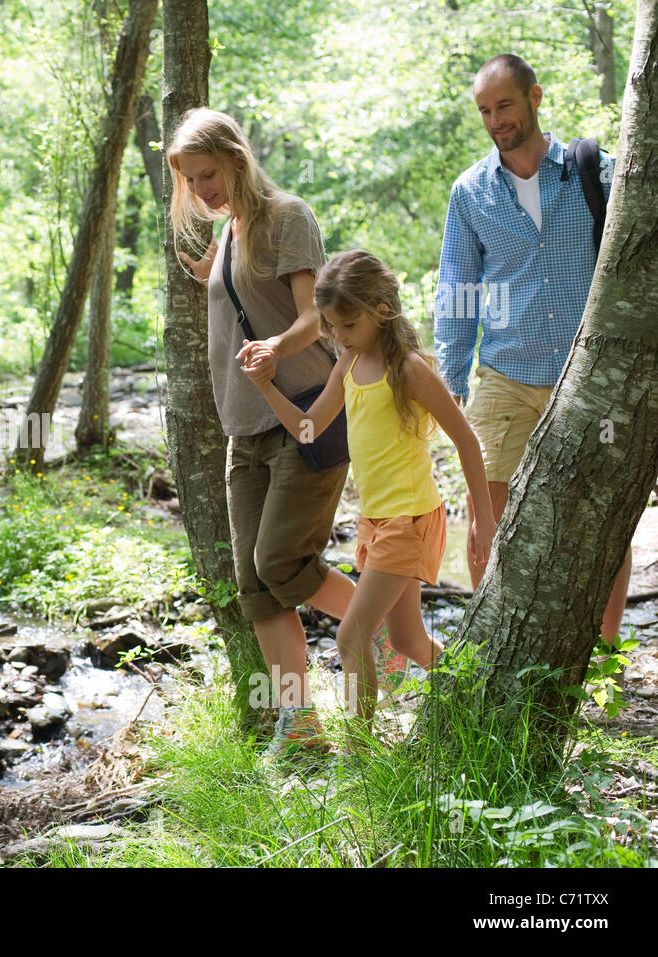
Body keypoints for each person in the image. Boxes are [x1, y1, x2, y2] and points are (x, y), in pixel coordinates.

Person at [168, 108, 357, 757]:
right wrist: (208, 275)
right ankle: (300, 727)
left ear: (237, 159)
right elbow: (239, 295)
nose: (202, 190)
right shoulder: (229, 234)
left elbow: (317, 317)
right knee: (255, 586)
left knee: (280, 562)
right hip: (242, 430)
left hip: (303, 418)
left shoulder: (287, 217)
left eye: (208, 174)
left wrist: (276, 346)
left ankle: (384, 622)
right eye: (191, 182)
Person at [243, 250, 497, 728]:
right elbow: (306, 430)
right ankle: (481, 699)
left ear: (382, 310)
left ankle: (361, 755)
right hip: (376, 522)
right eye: (332, 327)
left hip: (411, 518)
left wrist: (483, 520)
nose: (338, 336)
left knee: (351, 637)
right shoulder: (348, 363)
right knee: (406, 642)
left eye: (348, 325)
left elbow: (466, 439)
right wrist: (265, 385)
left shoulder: (411, 369)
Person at [435, 53, 630, 643]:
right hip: (505, 374)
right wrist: (451, 378)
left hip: (589, 376)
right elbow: (459, 289)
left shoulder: (600, 174)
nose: (496, 120)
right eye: (485, 111)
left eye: (505, 105)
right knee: (484, 517)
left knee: (603, 523)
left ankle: (603, 652)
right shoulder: (470, 192)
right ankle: (488, 652)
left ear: (535, 98)